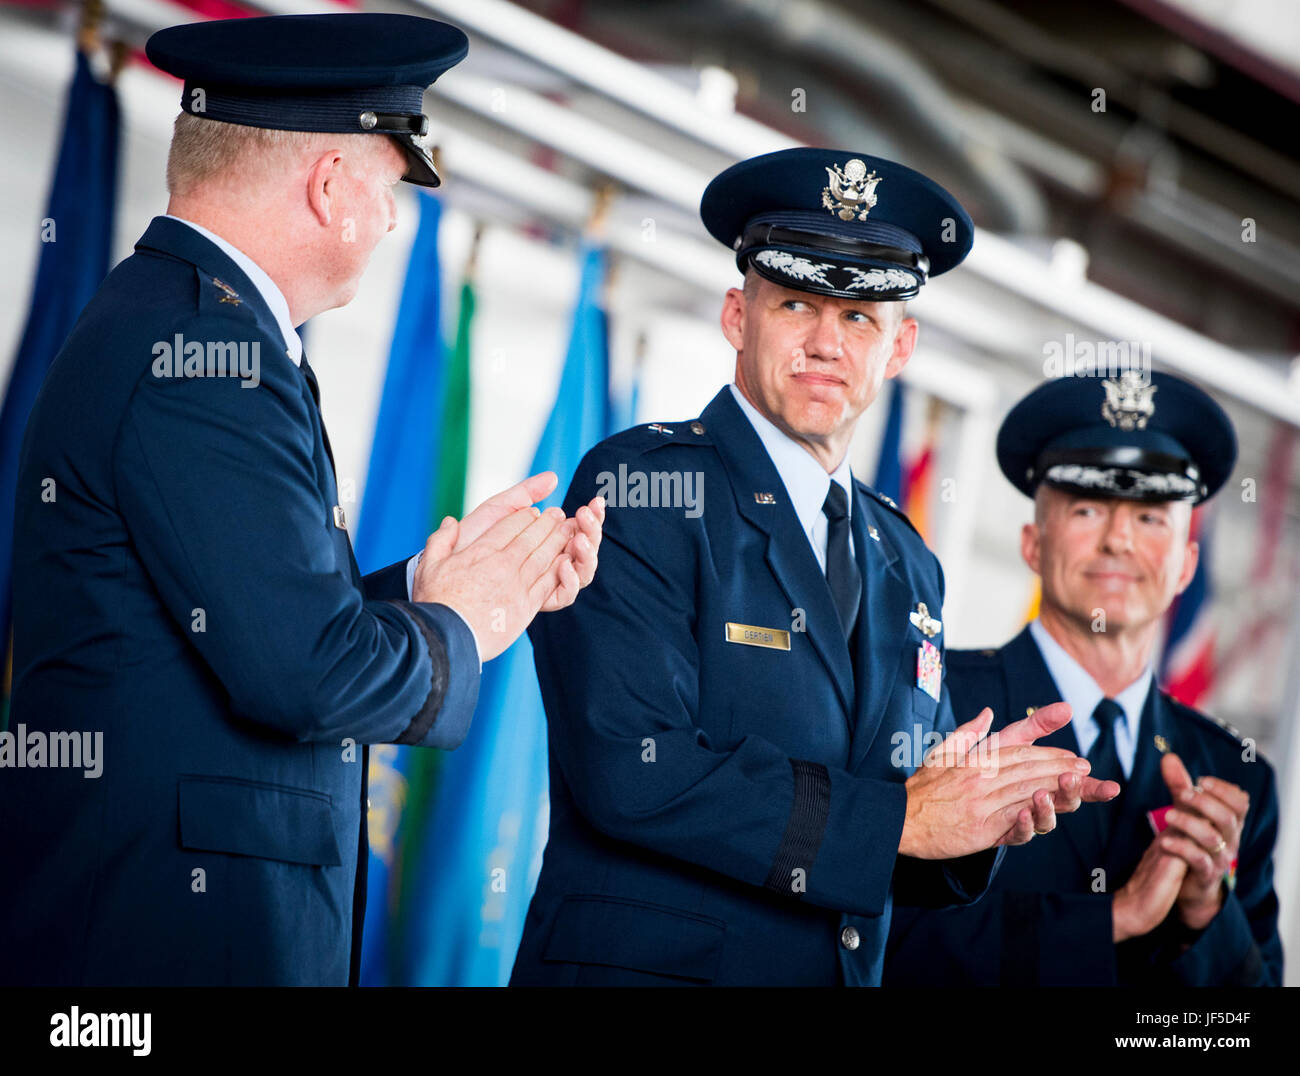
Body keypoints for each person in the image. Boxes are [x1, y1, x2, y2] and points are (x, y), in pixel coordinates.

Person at [0, 13, 603, 986]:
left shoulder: (191, 327)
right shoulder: (209, 358)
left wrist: (422, 586)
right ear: (329, 186)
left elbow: (248, 623)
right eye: (390, 184)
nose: (396, 218)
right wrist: (463, 624)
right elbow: (307, 678)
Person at [510, 148, 1116, 987]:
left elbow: (892, 832)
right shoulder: (644, 487)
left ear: (900, 347)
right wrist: (902, 819)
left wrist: (973, 815)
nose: (827, 342)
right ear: (737, 316)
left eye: (861, 317)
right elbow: (633, 767)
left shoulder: (907, 562)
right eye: (797, 303)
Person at [885, 370, 1282, 986]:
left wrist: (1207, 912)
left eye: (1152, 518)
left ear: (1186, 565)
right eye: (1089, 508)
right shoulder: (929, 701)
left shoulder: (1236, 774)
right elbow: (875, 947)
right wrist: (1113, 918)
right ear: (1032, 544)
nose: (1119, 539)